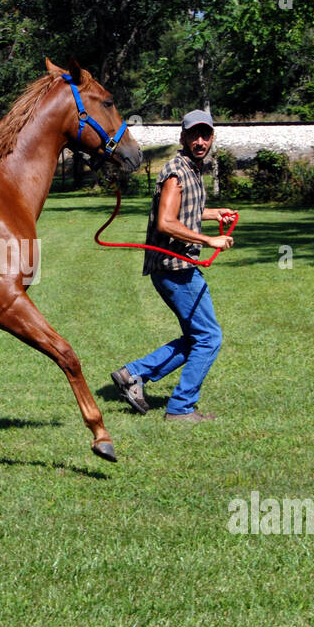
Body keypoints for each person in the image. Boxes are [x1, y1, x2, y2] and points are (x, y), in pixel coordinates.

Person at [111, 108, 236, 423]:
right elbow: (167, 222)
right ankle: (180, 407)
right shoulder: (177, 171)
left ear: (212, 138)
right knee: (209, 337)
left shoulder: (191, 169)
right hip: (174, 269)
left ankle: (132, 374)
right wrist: (209, 240)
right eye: (194, 134)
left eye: (205, 134)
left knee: (198, 337)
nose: (200, 141)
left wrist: (213, 212)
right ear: (183, 136)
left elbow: (186, 209)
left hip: (175, 267)